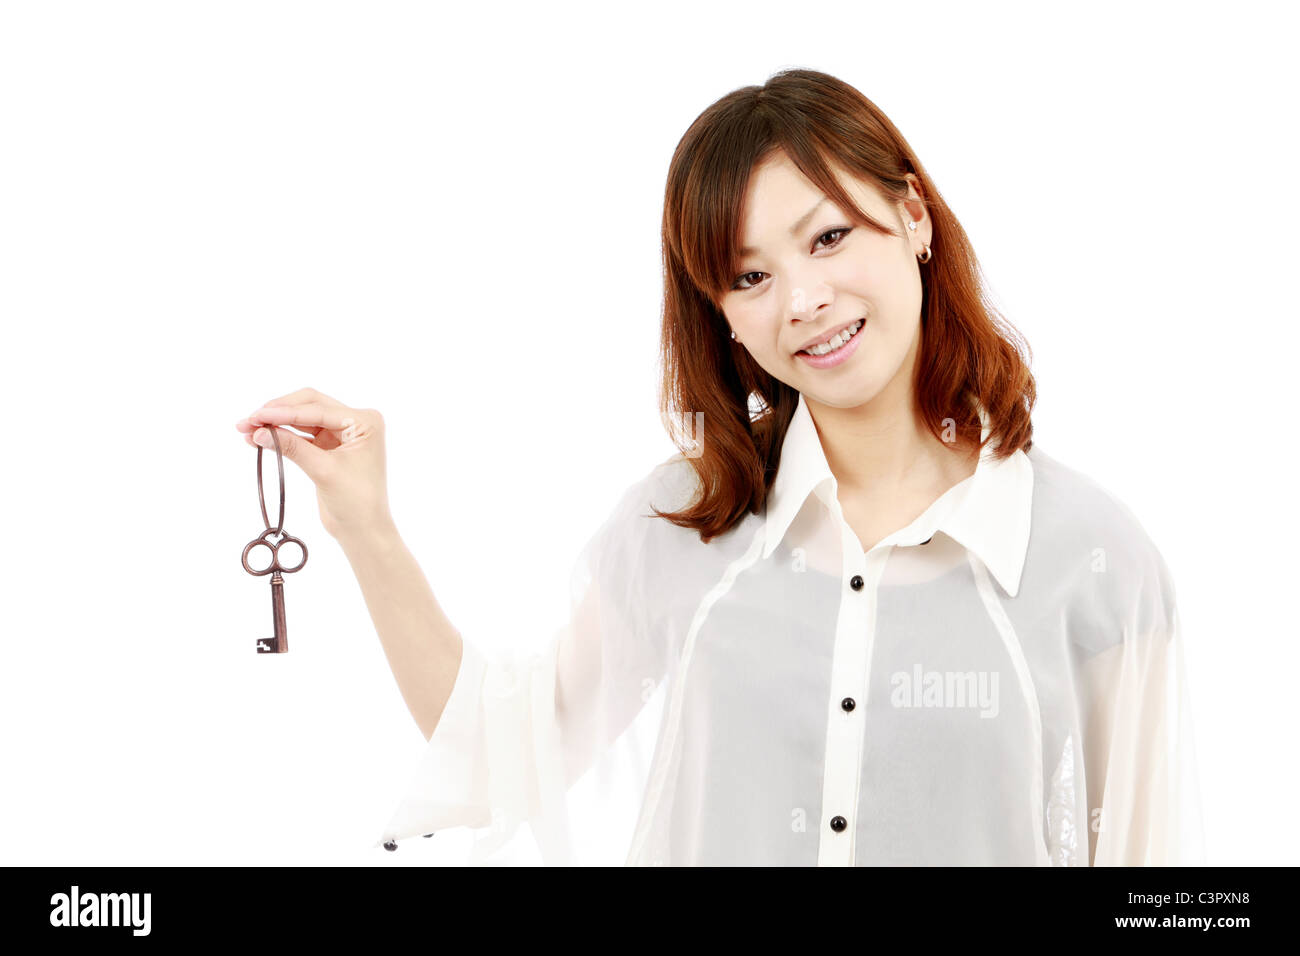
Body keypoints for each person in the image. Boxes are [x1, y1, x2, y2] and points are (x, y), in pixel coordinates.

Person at [234, 68, 1204, 866]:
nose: (803, 299)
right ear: (723, 314)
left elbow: (1153, 875)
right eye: (748, 275)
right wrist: (365, 521)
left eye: (828, 236)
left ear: (912, 216)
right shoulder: (685, 525)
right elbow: (499, 752)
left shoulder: (1095, 560)